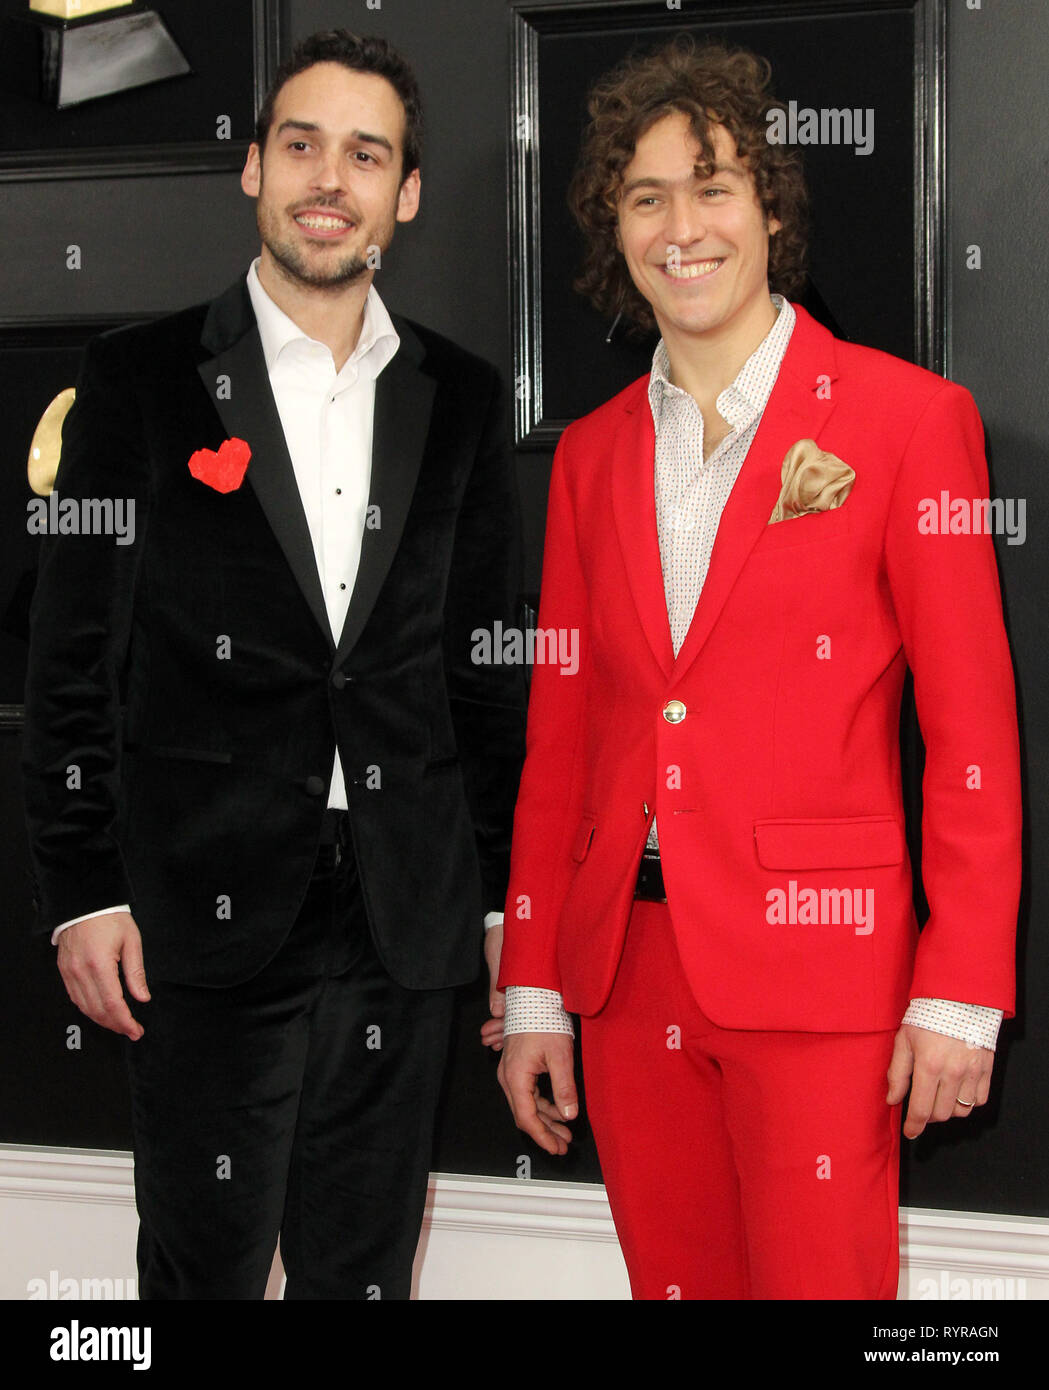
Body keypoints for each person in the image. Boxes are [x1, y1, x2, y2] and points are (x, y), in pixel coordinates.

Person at [489, 36, 1021, 1300]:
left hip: (820, 968)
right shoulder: (589, 455)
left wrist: (960, 988)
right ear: (609, 229)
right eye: (644, 196)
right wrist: (533, 988)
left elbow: (970, 732)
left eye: (711, 185)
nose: (682, 226)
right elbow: (560, 737)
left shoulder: (905, 420)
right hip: (625, 973)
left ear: (769, 208)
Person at [22, 29, 524, 1300]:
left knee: (362, 1273)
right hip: (201, 911)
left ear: (403, 194)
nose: (327, 178)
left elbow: (476, 670)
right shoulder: (136, 381)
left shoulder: (459, 398)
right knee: (202, 1271)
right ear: (251, 167)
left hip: (402, 915)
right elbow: (74, 656)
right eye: (299, 144)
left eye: (366, 155)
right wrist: (82, 889)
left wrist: (494, 903)